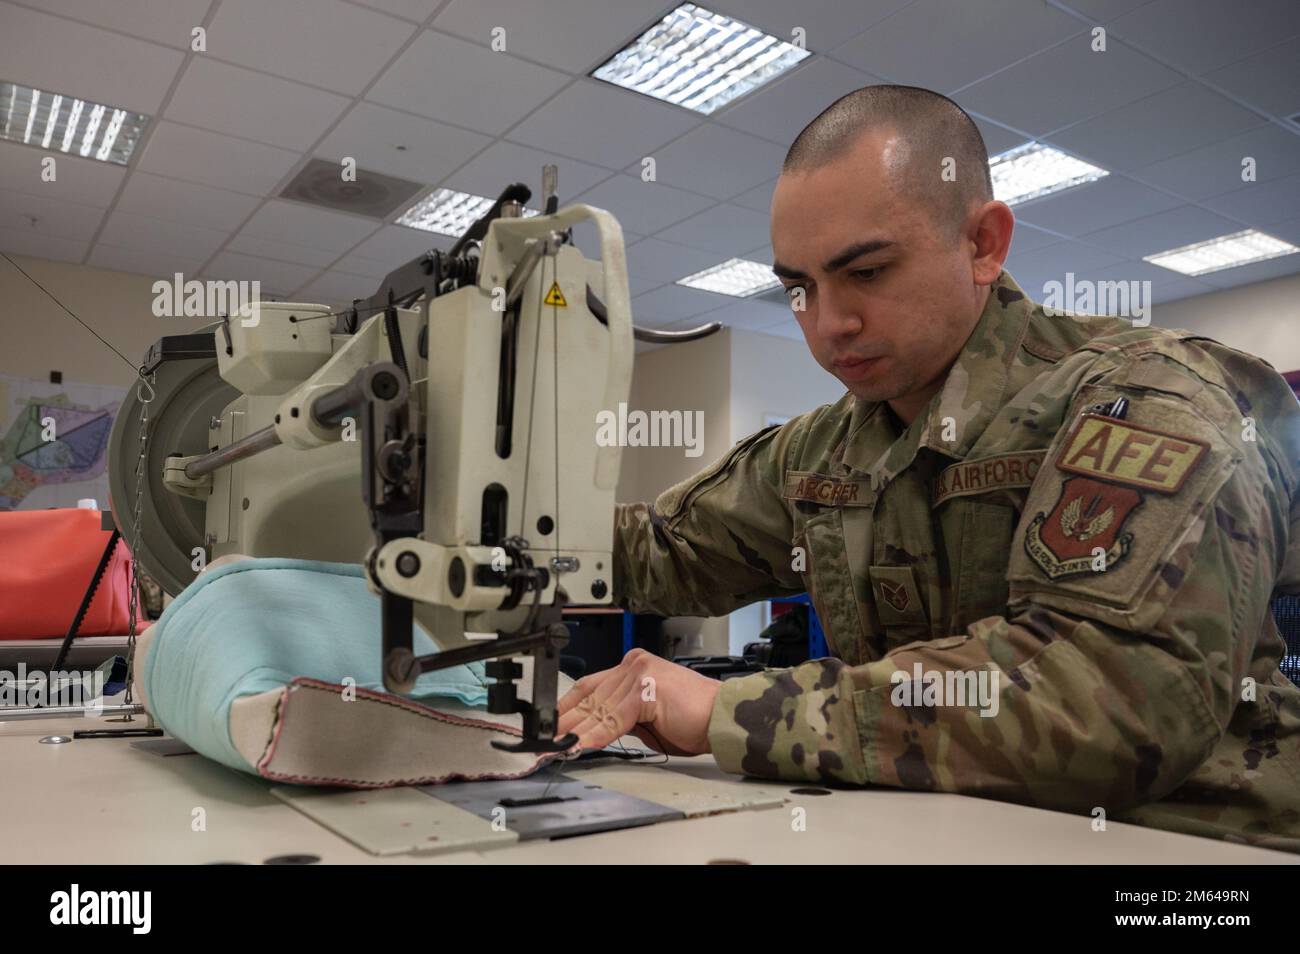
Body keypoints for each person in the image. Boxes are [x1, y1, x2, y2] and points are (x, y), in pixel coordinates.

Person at [556, 84, 1300, 852]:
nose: (829, 323)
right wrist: (472, 533)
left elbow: (1107, 699)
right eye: (799, 289)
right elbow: (661, 552)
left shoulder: (1146, 399)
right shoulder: (822, 454)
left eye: (867, 273)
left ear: (984, 245)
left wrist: (729, 711)